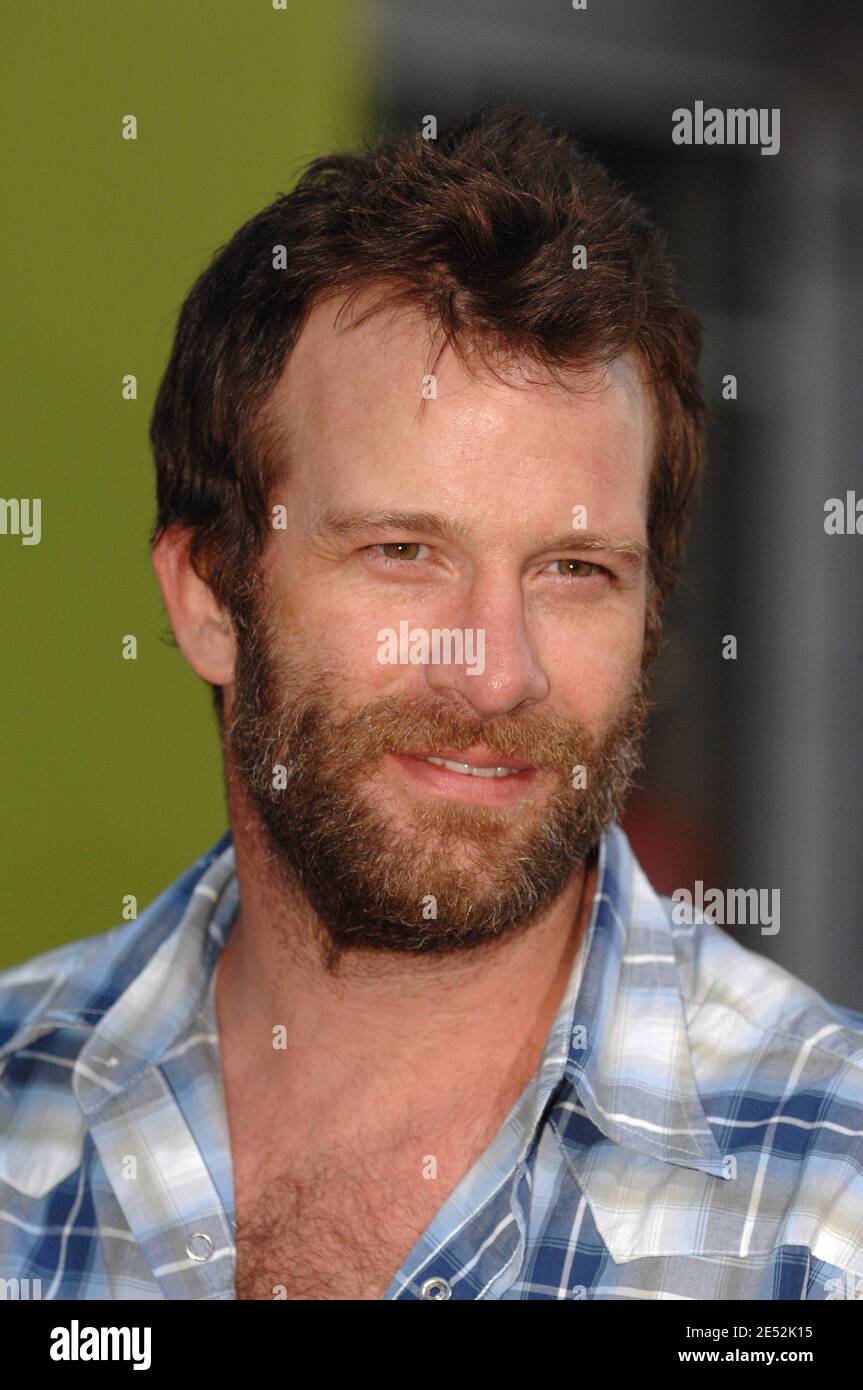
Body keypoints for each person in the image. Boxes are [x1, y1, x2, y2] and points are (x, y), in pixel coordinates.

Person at [1, 107, 861, 1302]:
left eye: (574, 571)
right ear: (207, 595)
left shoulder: (827, 1197)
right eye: (403, 549)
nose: (493, 670)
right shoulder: (16, 1108)